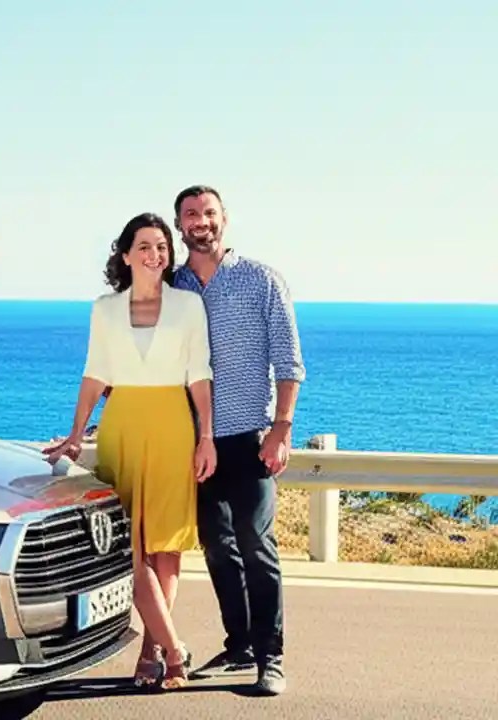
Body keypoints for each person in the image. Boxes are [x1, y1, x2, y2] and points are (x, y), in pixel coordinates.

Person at [43, 212, 216, 691]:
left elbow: (199, 375)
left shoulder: (188, 306)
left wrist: (207, 437)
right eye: (144, 245)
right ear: (125, 254)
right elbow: (95, 374)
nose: (154, 253)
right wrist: (76, 434)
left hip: (172, 428)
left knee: (165, 547)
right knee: (127, 546)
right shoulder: (105, 309)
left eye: (161, 246)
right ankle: (176, 647)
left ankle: (152, 653)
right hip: (122, 427)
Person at [170, 184, 304, 697]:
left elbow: (289, 360)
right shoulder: (172, 285)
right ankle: (239, 644)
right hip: (192, 442)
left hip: (250, 435)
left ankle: (271, 656)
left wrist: (281, 430)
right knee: (215, 545)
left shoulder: (262, 280)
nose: (199, 220)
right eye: (190, 214)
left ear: (224, 219)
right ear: (179, 224)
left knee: (255, 543)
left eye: (208, 212)